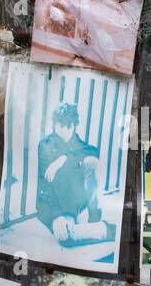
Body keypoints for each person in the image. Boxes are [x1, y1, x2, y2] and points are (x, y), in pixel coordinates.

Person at [36, 102, 111, 246]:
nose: (64, 131)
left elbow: (93, 151)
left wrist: (64, 158)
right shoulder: (45, 144)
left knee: (91, 161)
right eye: (60, 126)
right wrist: (57, 216)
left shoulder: (77, 142)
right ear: (54, 125)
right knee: (66, 237)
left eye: (68, 127)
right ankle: (109, 230)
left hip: (73, 202)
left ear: (74, 126)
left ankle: (94, 214)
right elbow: (45, 184)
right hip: (53, 203)